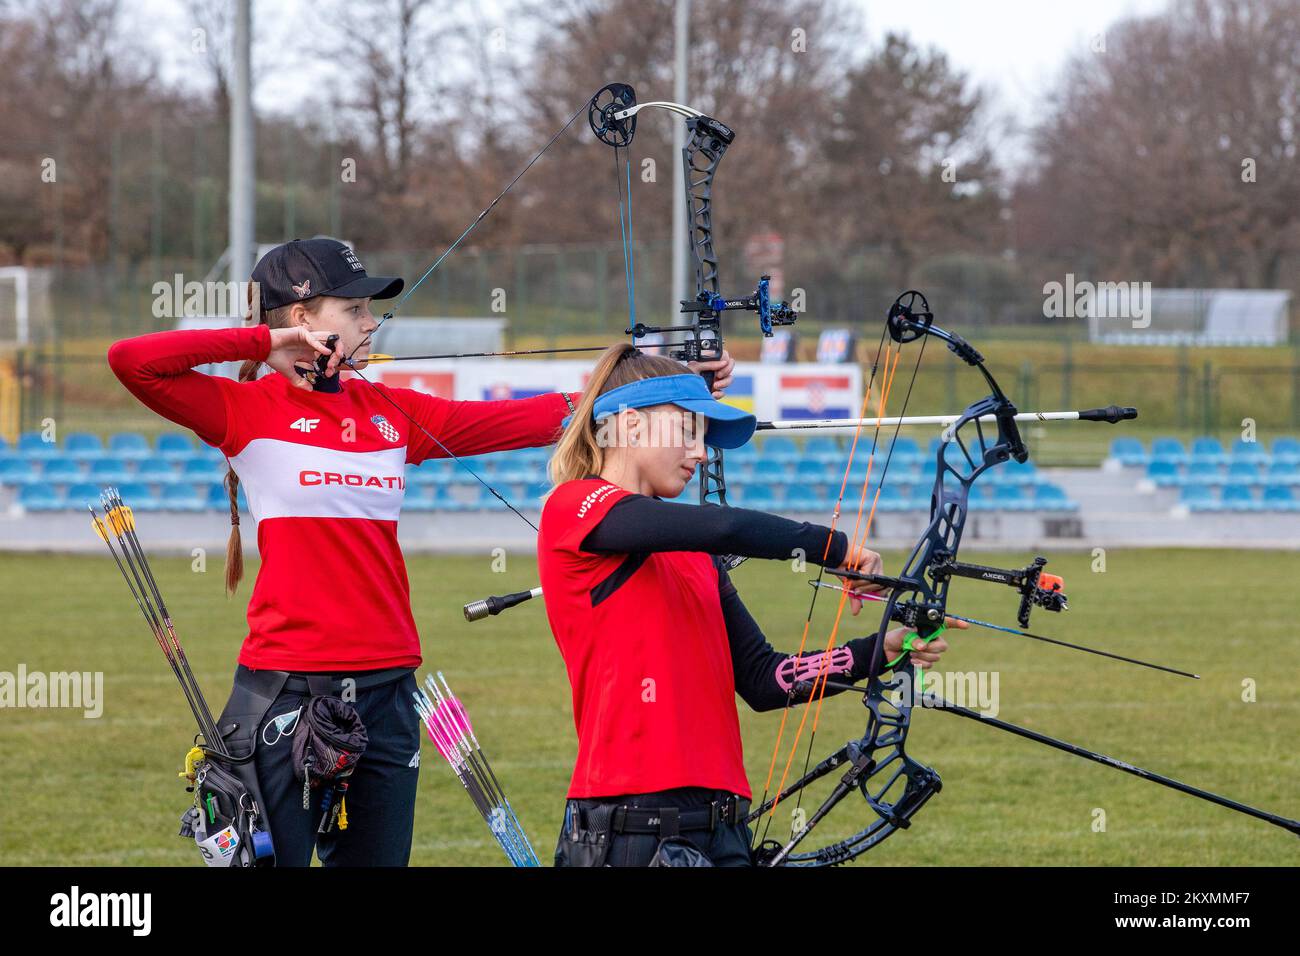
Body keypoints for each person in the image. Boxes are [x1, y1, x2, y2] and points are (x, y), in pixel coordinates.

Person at [108, 237, 734, 866]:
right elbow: (130, 361)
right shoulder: (240, 409)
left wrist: (671, 388)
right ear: (302, 320)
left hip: (387, 690)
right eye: (353, 310)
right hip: (288, 689)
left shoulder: (389, 412)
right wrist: (263, 344)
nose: (370, 322)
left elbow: (530, 419)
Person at [538, 344, 958, 866]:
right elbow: (727, 526)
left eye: (704, 439)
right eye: (689, 432)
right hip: (628, 830)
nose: (700, 453)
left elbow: (764, 679)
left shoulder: (695, 559)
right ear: (629, 425)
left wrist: (883, 650)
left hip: (724, 828)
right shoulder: (572, 508)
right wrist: (834, 548)